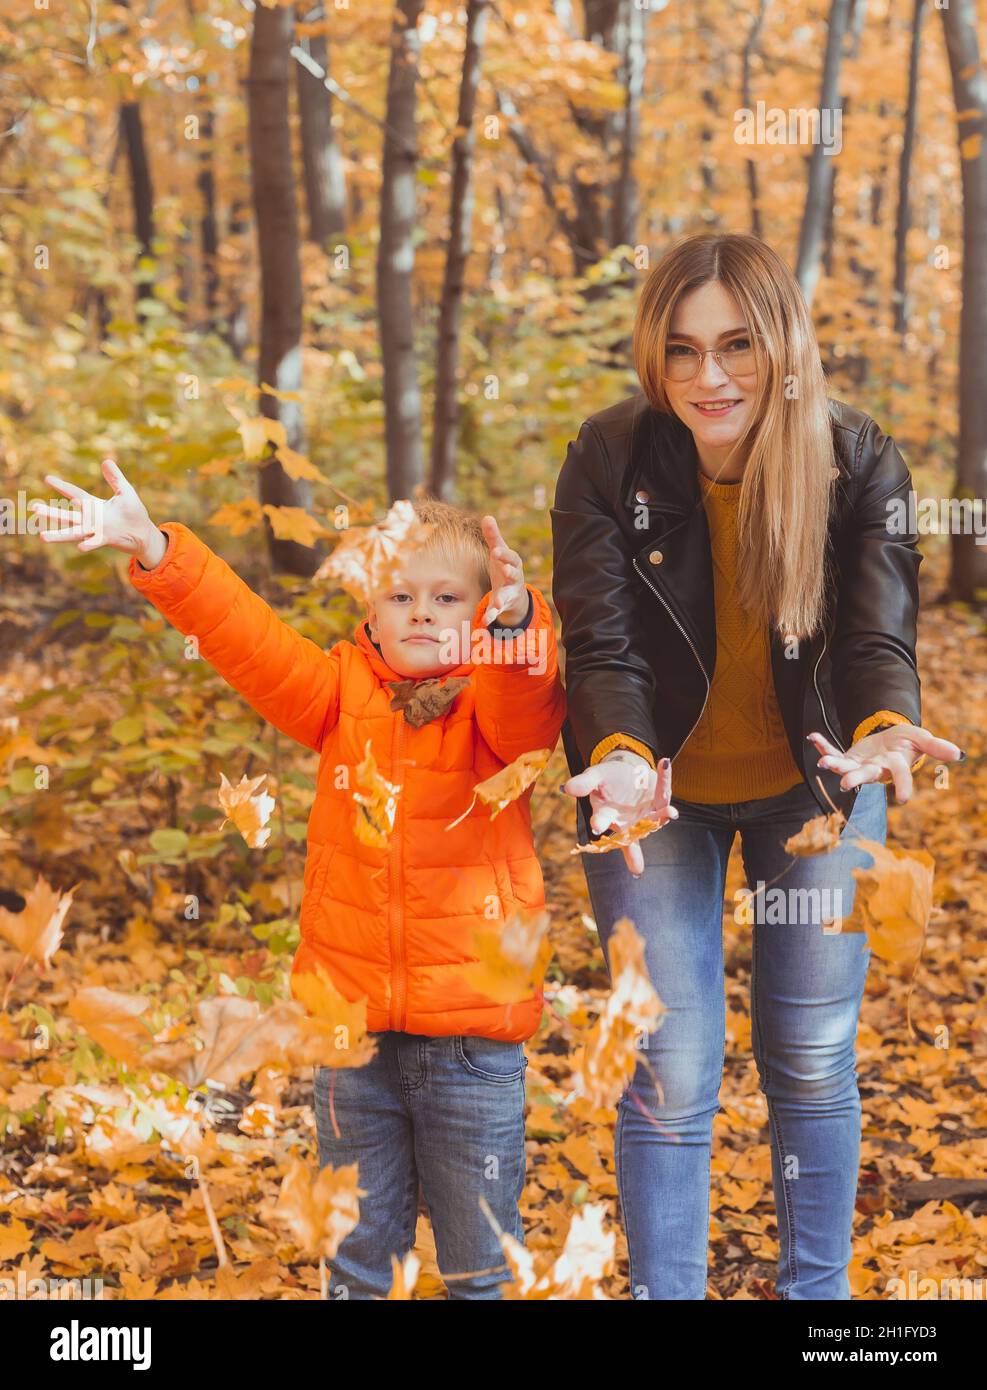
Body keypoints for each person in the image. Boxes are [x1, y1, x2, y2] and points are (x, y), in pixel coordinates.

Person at [30, 471, 566, 1299]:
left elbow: (530, 696)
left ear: (480, 612)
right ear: (371, 612)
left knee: (480, 1267)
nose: (422, 612)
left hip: (472, 1043)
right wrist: (158, 551)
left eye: (447, 597)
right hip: (348, 1041)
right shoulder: (340, 693)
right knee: (357, 1262)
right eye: (399, 595)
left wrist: (520, 620)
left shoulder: (492, 712)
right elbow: (250, 640)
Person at [552, 232, 963, 1300]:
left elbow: (878, 632)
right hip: (656, 800)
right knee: (673, 1066)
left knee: (814, 1060)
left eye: (737, 344)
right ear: (654, 355)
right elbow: (602, 645)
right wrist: (625, 754)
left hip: (818, 788)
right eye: (682, 351)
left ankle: (817, 1306)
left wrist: (883, 720)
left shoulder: (858, 459)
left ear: (782, 341)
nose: (710, 376)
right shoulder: (607, 456)